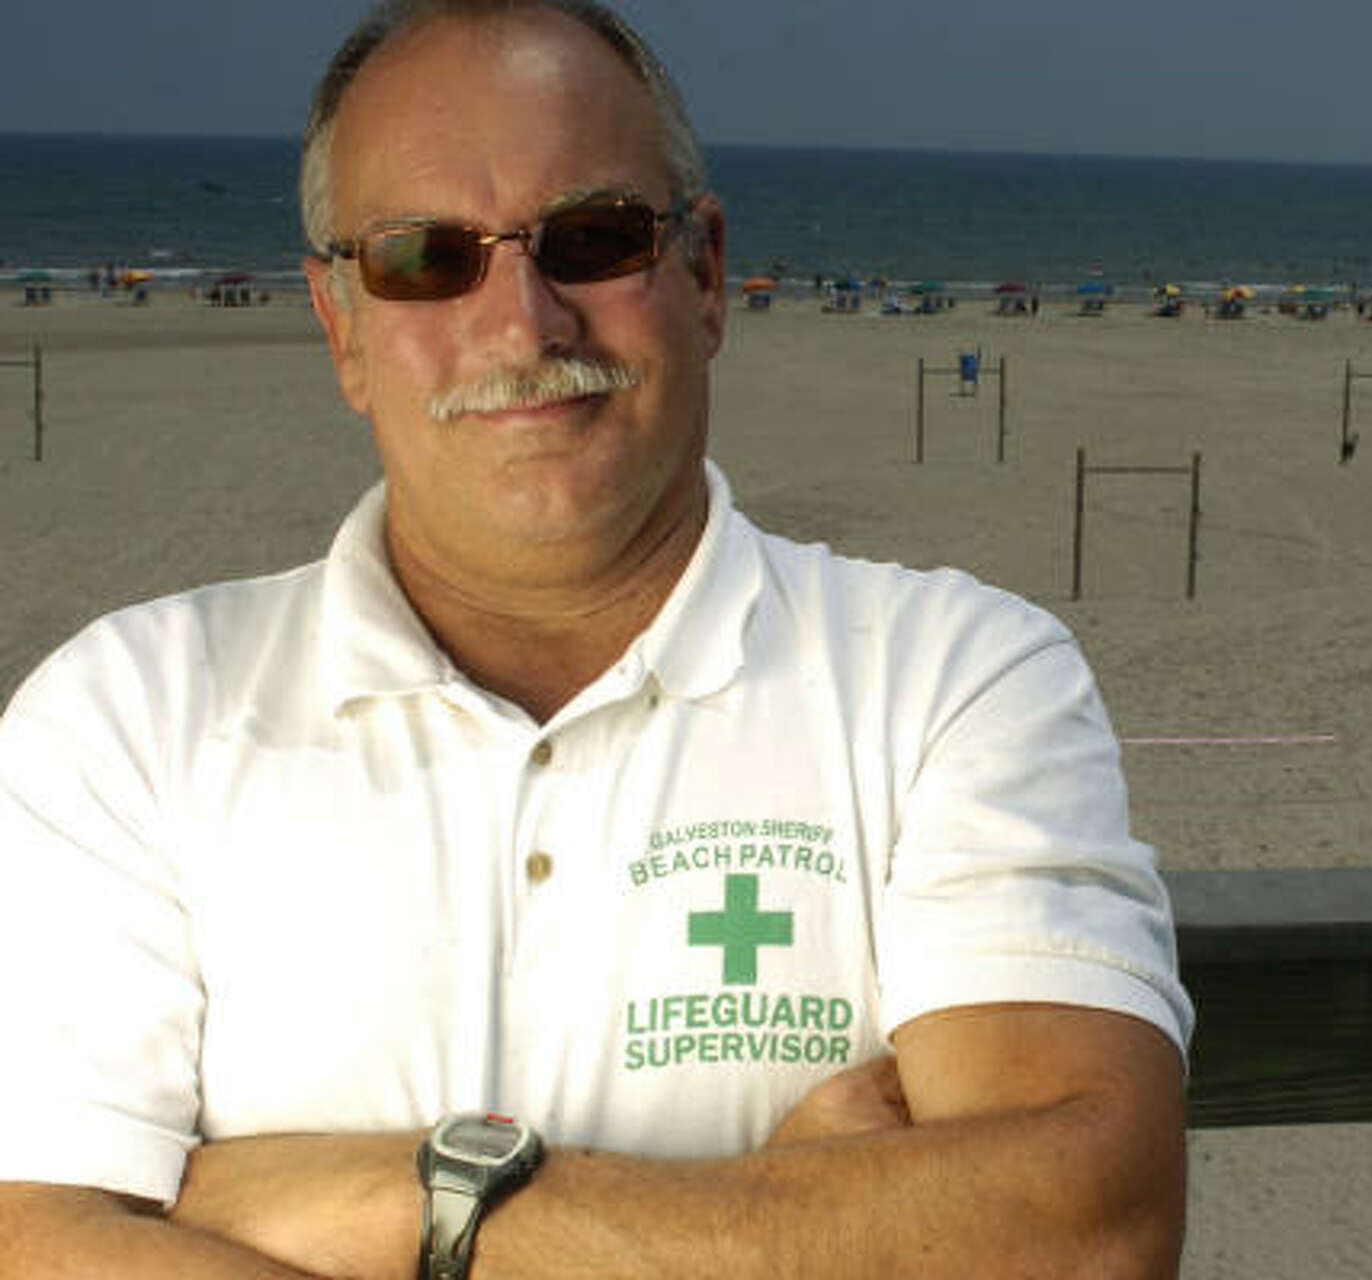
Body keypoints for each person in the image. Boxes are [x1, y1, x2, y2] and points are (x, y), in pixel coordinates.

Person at [0, 3, 1192, 1277]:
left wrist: (398, 1206)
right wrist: (783, 1220)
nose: (524, 323)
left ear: (707, 272)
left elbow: (1081, 1235)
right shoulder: (124, 716)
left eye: (594, 237)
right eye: (424, 257)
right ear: (342, 324)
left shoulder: (954, 678)